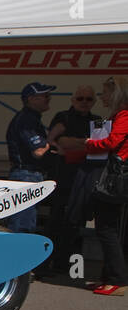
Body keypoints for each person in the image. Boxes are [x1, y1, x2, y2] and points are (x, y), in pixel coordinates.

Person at [44, 85, 101, 277]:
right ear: (73, 100)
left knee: (77, 224)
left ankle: (71, 268)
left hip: (85, 179)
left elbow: (99, 147)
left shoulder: (97, 120)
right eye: (80, 99)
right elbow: (57, 140)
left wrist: (73, 142)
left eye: (89, 99)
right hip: (63, 178)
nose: (84, 102)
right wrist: (85, 142)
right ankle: (46, 266)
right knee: (56, 221)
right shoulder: (63, 117)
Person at [81, 76, 128, 294]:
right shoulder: (116, 115)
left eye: (105, 92)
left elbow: (112, 142)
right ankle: (109, 277)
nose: (102, 97)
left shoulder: (124, 115)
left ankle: (117, 280)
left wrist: (90, 144)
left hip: (114, 179)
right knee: (108, 229)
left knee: (106, 229)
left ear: (117, 94)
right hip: (113, 178)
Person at [4, 82, 56, 233]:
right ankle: (16, 255)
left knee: (24, 223)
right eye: (45, 96)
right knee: (22, 226)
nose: (49, 98)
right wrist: (53, 142)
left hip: (28, 175)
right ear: (31, 99)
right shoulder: (27, 119)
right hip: (26, 177)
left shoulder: (31, 118)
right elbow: (38, 151)